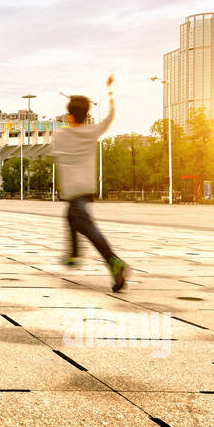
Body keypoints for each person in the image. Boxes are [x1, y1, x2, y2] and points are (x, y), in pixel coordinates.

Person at [51, 75, 129, 292]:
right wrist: (110, 93)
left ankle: (113, 261)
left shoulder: (60, 135)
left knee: (86, 226)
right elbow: (110, 117)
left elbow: (55, 154)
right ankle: (75, 255)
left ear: (69, 115)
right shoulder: (92, 131)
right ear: (87, 115)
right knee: (71, 218)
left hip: (73, 191)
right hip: (86, 189)